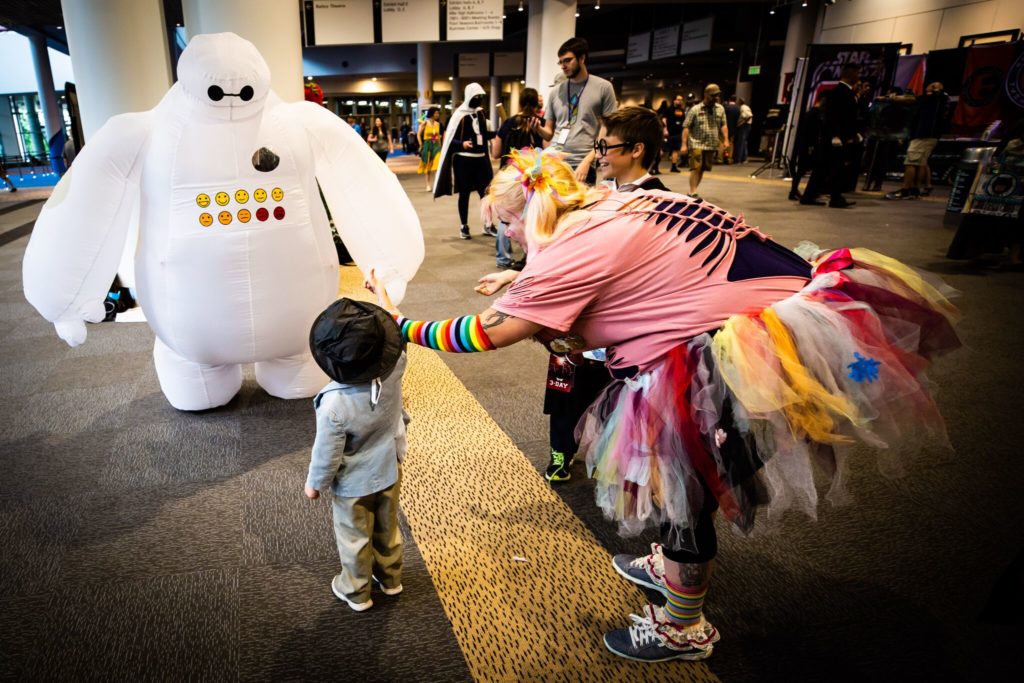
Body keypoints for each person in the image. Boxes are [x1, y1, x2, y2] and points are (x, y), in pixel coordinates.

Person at [368, 147, 960, 662]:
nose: (509, 238)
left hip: (725, 353)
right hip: (782, 314)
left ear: (526, 212)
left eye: (506, 225)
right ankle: (672, 576)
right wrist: (524, 282)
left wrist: (398, 323)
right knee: (681, 479)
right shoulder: (609, 204)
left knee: (684, 486)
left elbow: (485, 335)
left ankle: (683, 628)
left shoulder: (569, 253)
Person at [477, 106, 668, 482]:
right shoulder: (595, 196)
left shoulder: (657, 203)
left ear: (637, 149)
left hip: (619, 332)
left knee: (622, 403)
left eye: (605, 145)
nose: (598, 153)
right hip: (573, 333)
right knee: (565, 394)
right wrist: (515, 276)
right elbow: (562, 258)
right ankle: (561, 452)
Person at [304, 298, 409, 612]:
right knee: (387, 526)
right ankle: (391, 579)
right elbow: (400, 332)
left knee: (354, 537)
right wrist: (385, 299)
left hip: (354, 484)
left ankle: (356, 591)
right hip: (390, 467)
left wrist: (315, 484)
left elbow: (327, 452)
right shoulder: (396, 367)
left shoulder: (334, 404)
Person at [535, 37, 618, 184]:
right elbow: (549, 133)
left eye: (567, 60)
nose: (563, 66)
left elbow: (608, 131)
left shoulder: (603, 87)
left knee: (581, 206)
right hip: (554, 163)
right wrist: (537, 128)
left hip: (582, 162)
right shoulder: (556, 91)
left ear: (582, 58)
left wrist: (588, 161)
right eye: (560, 62)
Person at [434, 82, 498, 240]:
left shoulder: (481, 114)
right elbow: (449, 140)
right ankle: (464, 226)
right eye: (476, 97)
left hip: (481, 160)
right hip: (464, 161)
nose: (478, 100)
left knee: (486, 194)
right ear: (469, 97)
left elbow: (484, 134)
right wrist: (462, 144)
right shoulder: (458, 116)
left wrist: (499, 132)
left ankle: (488, 224)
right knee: (464, 194)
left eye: (480, 97)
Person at [492, 87, 544, 268]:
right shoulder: (541, 124)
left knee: (505, 217)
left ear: (520, 102)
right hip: (532, 177)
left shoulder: (508, 123)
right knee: (531, 215)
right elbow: (547, 151)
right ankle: (528, 256)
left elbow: (496, 153)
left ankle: (503, 257)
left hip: (508, 176)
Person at [802, 64, 861, 208]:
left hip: (837, 138)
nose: (859, 77)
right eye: (857, 74)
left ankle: (814, 196)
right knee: (834, 169)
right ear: (851, 74)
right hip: (835, 139)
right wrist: (835, 135)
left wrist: (854, 133)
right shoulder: (840, 92)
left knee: (825, 168)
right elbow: (834, 116)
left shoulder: (844, 92)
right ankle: (834, 197)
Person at [886, 82, 950, 200]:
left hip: (923, 135)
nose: (928, 86)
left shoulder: (934, 98)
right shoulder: (940, 101)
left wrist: (892, 98)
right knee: (920, 163)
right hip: (931, 136)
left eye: (932, 85)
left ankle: (905, 190)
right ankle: (914, 189)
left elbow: (911, 99)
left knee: (910, 162)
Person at [681, 83, 729, 197]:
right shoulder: (695, 109)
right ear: (706, 94)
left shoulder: (720, 109)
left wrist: (726, 139)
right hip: (696, 142)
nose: (715, 98)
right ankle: (693, 191)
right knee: (695, 167)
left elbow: (723, 125)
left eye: (717, 95)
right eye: (713, 95)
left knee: (702, 168)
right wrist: (684, 144)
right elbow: (686, 127)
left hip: (711, 143)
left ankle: (694, 190)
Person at [789, 98, 824, 201]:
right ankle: (794, 191)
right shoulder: (814, 114)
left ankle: (794, 191)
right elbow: (812, 132)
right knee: (802, 169)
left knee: (801, 170)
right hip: (808, 146)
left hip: (806, 145)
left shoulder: (811, 113)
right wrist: (811, 146)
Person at [418, 107, 442, 192]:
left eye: (438, 113)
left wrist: (440, 146)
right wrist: (421, 144)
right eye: (436, 113)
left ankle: (436, 184)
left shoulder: (438, 124)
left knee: (438, 163)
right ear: (432, 113)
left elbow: (438, 136)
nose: (437, 115)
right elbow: (418, 134)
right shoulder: (425, 122)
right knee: (428, 166)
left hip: (436, 145)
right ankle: (428, 184)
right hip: (427, 145)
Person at [663, 95, 687, 173]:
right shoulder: (669, 109)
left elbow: (684, 121)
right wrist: (665, 129)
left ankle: (673, 166)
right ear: (674, 100)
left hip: (678, 132)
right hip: (669, 132)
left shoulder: (682, 110)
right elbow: (664, 119)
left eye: (681, 100)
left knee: (675, 150)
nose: (679, 101)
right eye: (678, 99)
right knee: (664, 150)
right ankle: (654, 166)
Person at [734, 97, 753, 163]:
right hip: (746, 125)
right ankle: (743, 158)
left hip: (744, 126)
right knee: (743, 142)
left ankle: (739, 159)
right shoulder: (744, 107)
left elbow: (749, 115)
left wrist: (742, 123)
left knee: (741, 142)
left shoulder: (743, 107)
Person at [723, 96, 740, 164]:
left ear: (729, 99)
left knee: (722, 141)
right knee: (731, 143)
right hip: (733, 128)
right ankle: (729, 158)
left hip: (725, 126)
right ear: (735, 100)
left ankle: (720, 158)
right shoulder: (738, 108)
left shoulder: (726, 107)